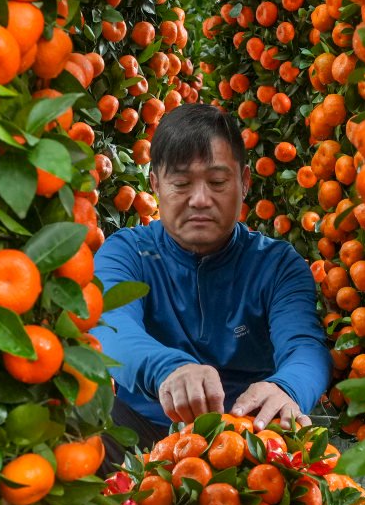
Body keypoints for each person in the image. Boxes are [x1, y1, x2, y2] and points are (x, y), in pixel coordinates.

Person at [91, 104, 332, 456]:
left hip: (248, 437)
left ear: (244, 182)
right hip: (136, 431)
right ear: (156, 185)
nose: (200, 200)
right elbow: (109, 326)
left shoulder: (277, 265)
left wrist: (288, 387)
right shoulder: (126, 253)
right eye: (181, 183)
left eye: (217, 182)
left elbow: (306, 346)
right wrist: (167, 369)